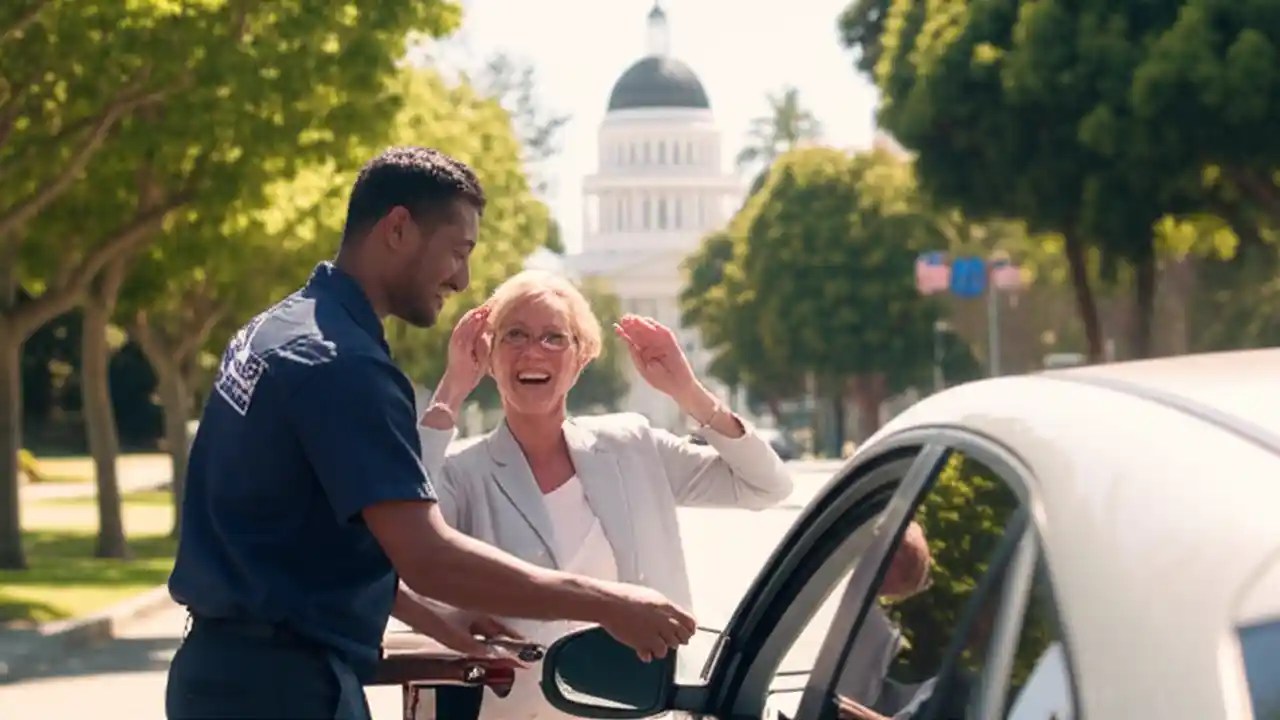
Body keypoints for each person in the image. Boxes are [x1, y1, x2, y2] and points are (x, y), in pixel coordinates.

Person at [164, 147, 696, 720]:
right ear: (398, 228)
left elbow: (298, 545)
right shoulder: (344, 365)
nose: (463, 279)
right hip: (281, 693)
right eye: (457, 251)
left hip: (225, 675)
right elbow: (426, 554)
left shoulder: (276, 332)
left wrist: (444, 621)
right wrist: (607, 602)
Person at [416, 270, 794, 719]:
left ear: (581, 358)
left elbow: (767, 484)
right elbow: (405, 542)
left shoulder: (632, 444)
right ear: (488, 355)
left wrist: (687, 392)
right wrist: (450, 392)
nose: (533, 351)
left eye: (555, 337)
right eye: (514, 335)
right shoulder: (463, 472)